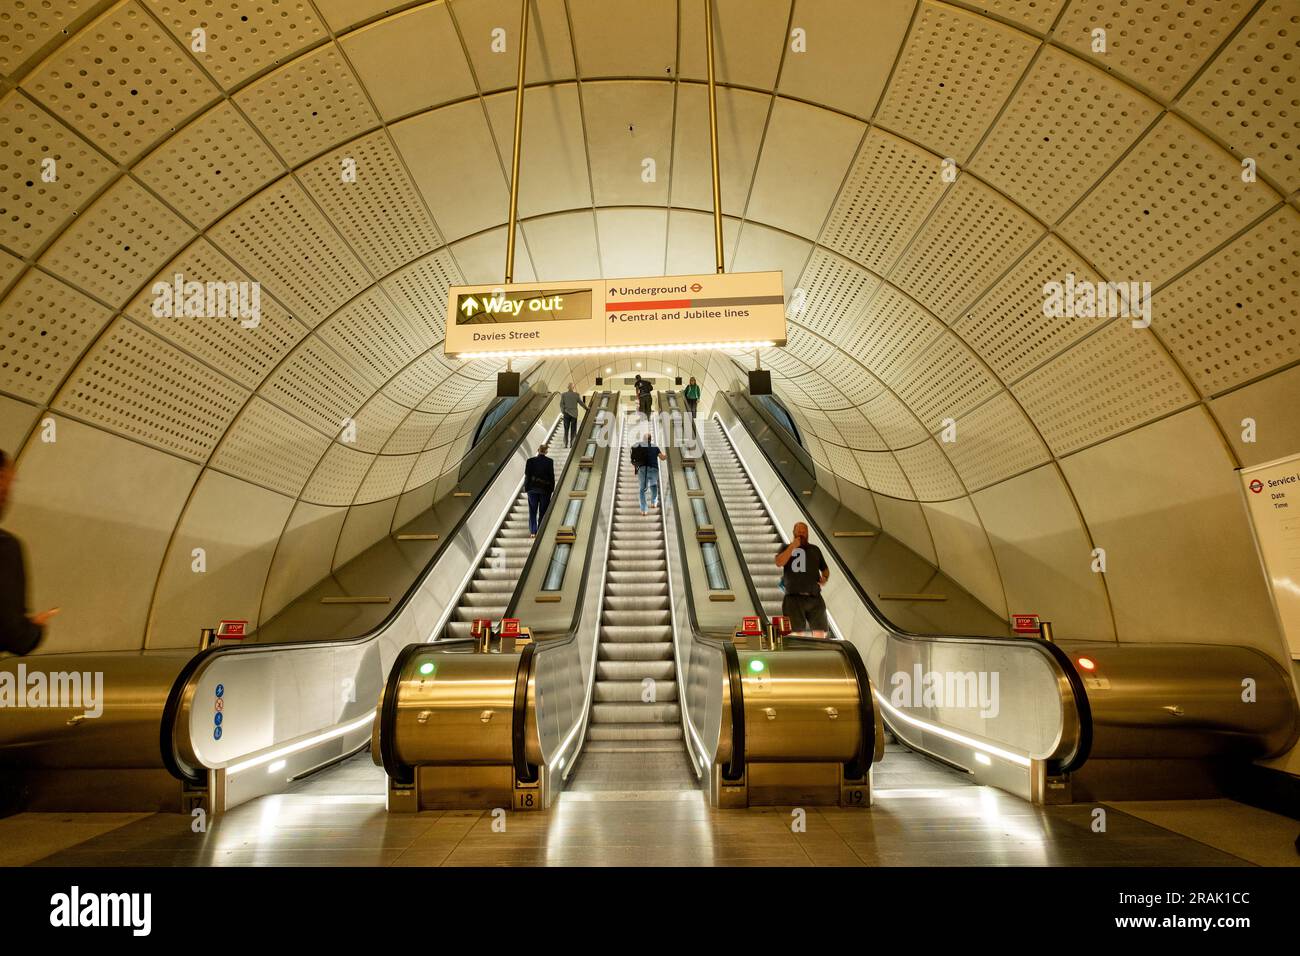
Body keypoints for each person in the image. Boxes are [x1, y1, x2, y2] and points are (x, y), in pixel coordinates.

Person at [0, 450, 57, 655]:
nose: (8, 494)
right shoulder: (5, 547)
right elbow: (13, 634)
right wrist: (35, 629)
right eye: (7, 482)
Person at [774, 522, 829, 634]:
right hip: (793, 598)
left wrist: (825, 578)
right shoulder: (785, 547)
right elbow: (779, 562)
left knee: (820, 631)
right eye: (799, 532)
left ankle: (819, 651)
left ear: (808, 534)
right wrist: (792, 547)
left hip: (814, 596)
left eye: (804, 532)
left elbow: (825, 569)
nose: (801, 534)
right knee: (797, 633)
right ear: (794, 533)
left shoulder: (815, 550)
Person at [523, 443, 555, 536]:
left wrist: (526, 487)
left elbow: (527, 475)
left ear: (538, 450)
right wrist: (552, 488)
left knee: (532, 510)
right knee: (543, 510)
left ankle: (533, 531)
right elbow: (551, 476)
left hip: (532, 490)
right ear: (546, 451)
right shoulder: (549, 461)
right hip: (545, 490)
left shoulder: (530, 461)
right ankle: (541, 530)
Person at [633, 432, 667, 515]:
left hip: (642, 469)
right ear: (650, 439)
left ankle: (644, 510)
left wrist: (635, 468)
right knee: (653, 485)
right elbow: (662, 458)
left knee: (642, 489)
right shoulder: (655, 447)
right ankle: (654, 502)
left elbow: (635, 459)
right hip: (653, 468)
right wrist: (668, 453)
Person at [559, 383, 586, 448]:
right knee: (573, 429)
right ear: (573, 388)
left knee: (566, 429)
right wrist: (586, 408)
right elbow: (581, 403)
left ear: (567, 387)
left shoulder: (563, 395)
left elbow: (561, 404)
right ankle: (572, 444)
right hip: (574, 414)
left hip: (566, 413)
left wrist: (563, 411)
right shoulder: (576, 395)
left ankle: (565, 444)